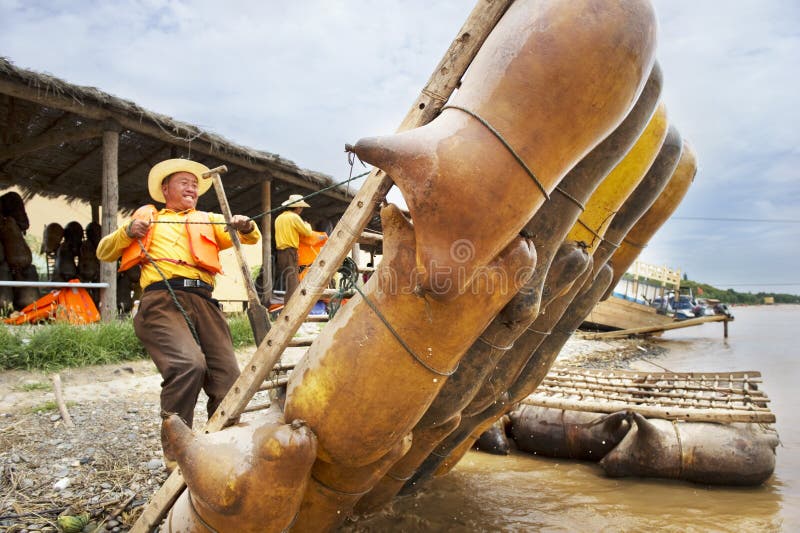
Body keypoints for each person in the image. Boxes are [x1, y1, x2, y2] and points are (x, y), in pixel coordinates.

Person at [96, 158, 261, 437]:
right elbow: (104, 252)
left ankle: (221, 442)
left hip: (204, 300)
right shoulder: (149, 219)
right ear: (165, 189)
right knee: (188, 365)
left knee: (230, 379)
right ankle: (176, 449)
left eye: (195, 185)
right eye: (184, 182)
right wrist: (127, 232)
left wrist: (245, 226)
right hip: (162, 300)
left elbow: (249, 236)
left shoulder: (208, 219)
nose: (192, 188)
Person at [274, 194, 313, 302]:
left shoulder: (279, 218)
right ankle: (291, 308)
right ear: (298, 207)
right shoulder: (294, 217)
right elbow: (307, 232)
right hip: (290, 252)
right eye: (301, 208)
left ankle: (288, 306)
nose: (301, 210)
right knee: (293, 282)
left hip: (280, 253)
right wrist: (307, 224)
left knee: (288, 281)